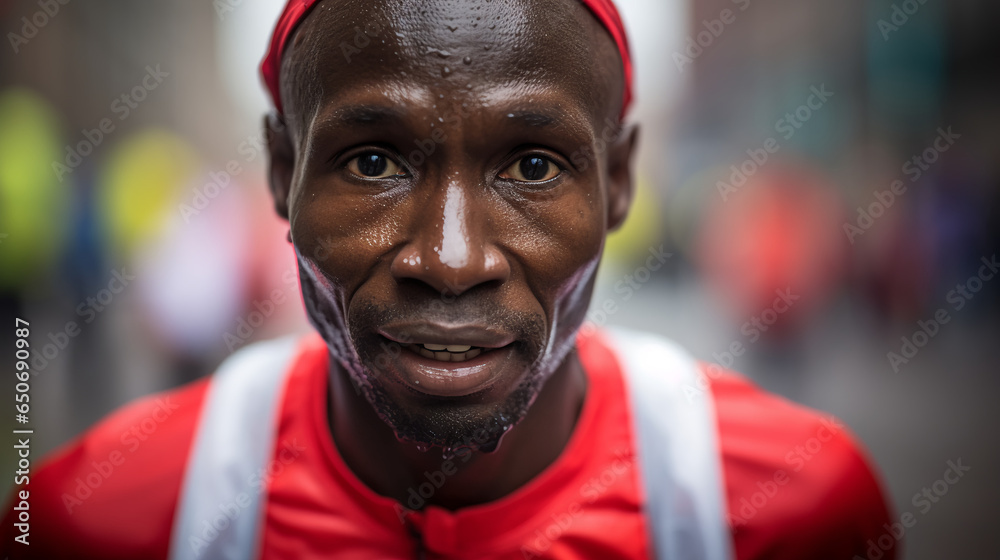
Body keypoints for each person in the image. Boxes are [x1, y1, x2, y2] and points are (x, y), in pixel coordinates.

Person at [3, 0, 898, 558]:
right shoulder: (91, 525)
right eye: (373, 162)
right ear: (282, 171)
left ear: (619, 183)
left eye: (535, 167)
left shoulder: (795, 515)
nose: (452, 258)